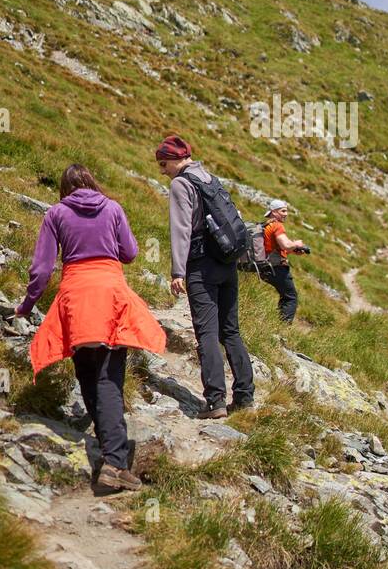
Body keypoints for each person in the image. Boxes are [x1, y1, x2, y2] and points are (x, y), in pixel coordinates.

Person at [14, 164, 166, 493]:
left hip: (75, 297)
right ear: (93, 182)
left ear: (64, 189)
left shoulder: (55, 214)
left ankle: (111, 456)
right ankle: (114, 462)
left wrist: (26, 306)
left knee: (87, 373)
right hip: (110, 295)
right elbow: (130, 253)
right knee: (109, 379)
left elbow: (41, 269)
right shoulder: (112, 208)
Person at [155, 134, 255, 420]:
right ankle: (245, 397)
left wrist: (178, 271)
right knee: (230, 331)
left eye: (163, 164)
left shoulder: (181, 184)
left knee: (207, 334)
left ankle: (215, 402)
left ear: (175, 159)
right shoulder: (209, 178)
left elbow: (181, 229)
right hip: (226, 263)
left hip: (201, 266)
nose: (162, 171)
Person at [261, 199, 308, 322]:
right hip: (277, 268)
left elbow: (275, 247)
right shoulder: (277, 225)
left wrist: (293, 251)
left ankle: (278, 324)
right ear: (274, 212)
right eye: (283, 211)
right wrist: (296, 244)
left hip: (264, 267)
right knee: (291, 297)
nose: (286, 214)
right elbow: (286, 245)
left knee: (285, 295)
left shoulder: (266, 225)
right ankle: (283, 329)